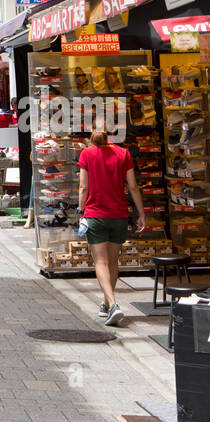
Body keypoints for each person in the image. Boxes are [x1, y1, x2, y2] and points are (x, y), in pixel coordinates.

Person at [77, 125, 145, 327]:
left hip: (95, 215)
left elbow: (83, 187)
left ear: (91, 134)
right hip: (119, 215)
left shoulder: (87, 154)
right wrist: (141, 213)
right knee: (113, 262)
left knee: (100, 262)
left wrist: (80, 210)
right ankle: (106, 303)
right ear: (111, 134)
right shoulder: (123, 154)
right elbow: (133, 186)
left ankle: (113, 304)